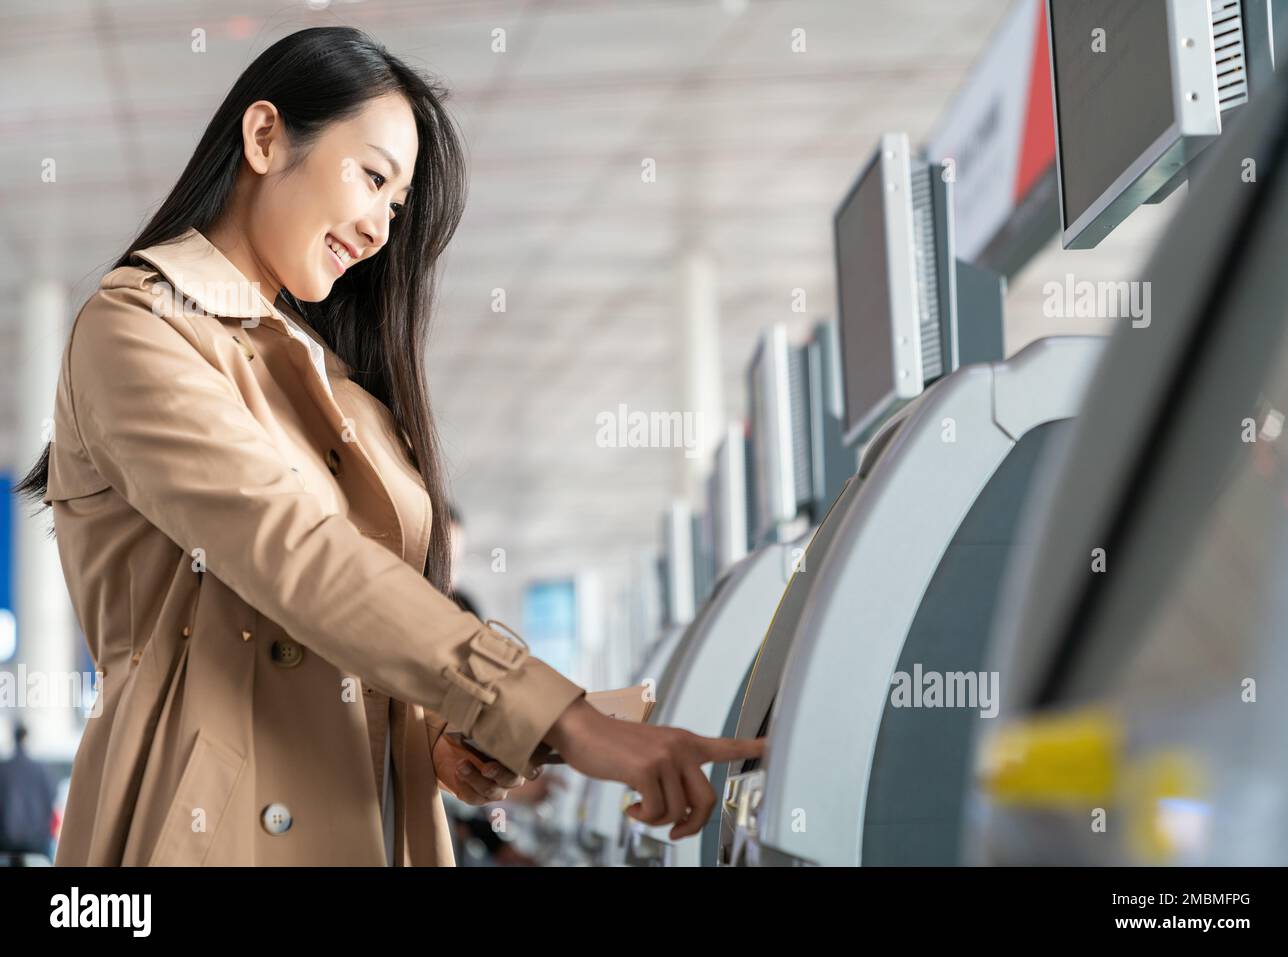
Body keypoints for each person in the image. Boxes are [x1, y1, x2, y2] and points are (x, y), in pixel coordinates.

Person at [13, 26, 762, 867]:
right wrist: (561, 717)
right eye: (372, 177)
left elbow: (346, 634)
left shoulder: (337, 388)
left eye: (397, 207)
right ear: (265, 138)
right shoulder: (136, 329)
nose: (379, 228)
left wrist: (439, 733)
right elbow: (296, 556)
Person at [0, 723, 56, 865]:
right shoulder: (40, 770)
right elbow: (51, 799)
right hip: (37, 840)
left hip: (6, 841)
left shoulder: (3, 769)